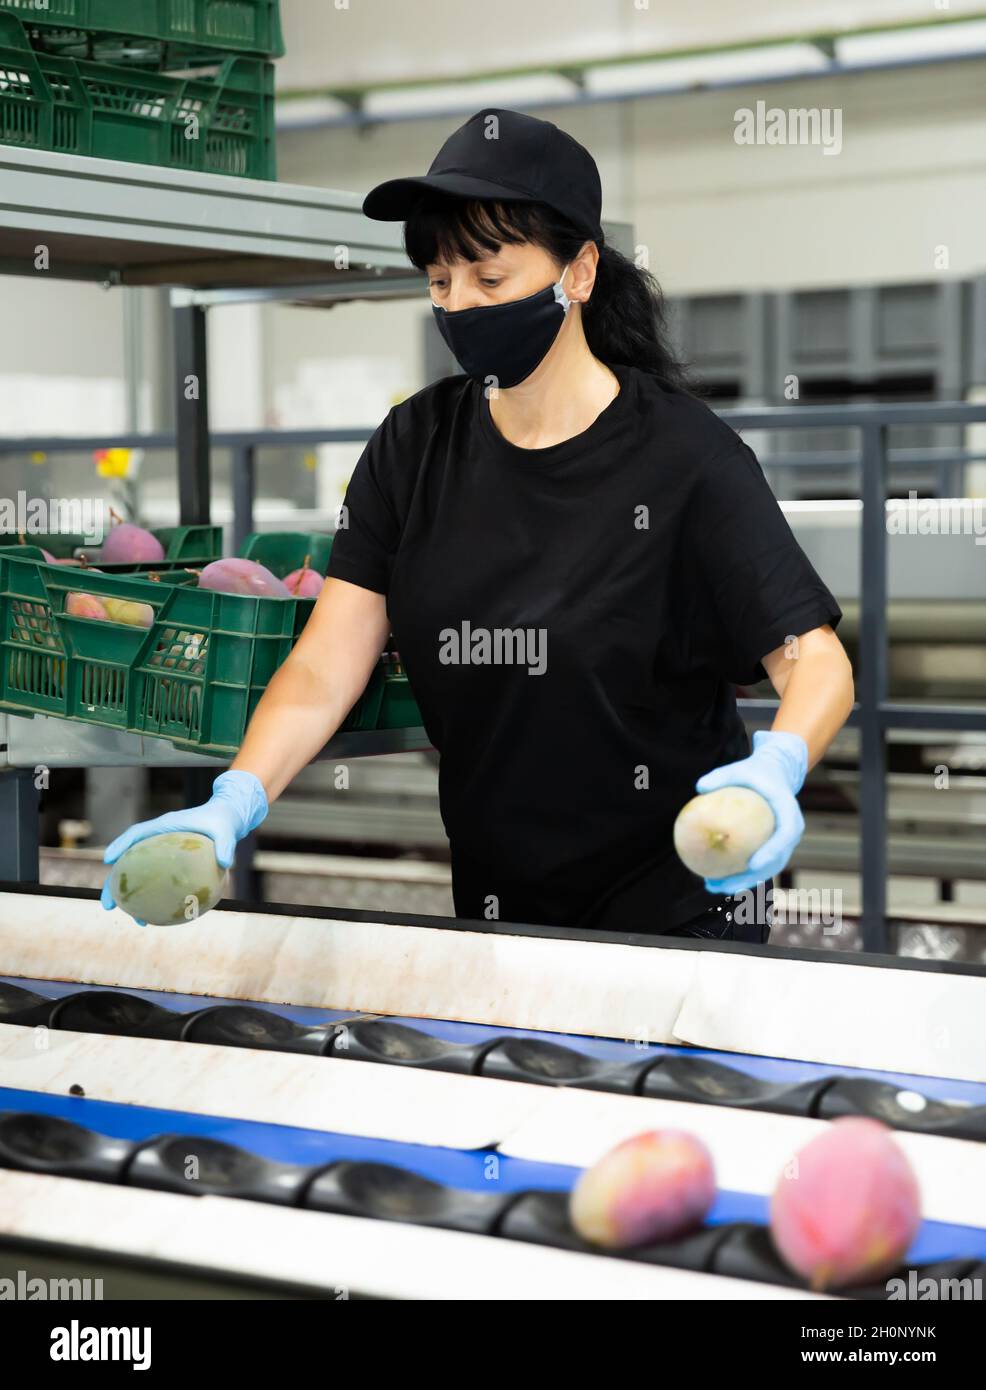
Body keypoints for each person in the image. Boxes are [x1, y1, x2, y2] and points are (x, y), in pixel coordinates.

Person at [102, 108, 853, 944]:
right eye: (438, 281)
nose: (458, 304)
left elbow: (815, 661)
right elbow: (328, 659)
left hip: (677, 905)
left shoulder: (687, 459)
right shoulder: (414, 445)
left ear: (580, 272)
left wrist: (774, 770)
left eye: (488, 280)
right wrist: (233, 801)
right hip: (497, 905)